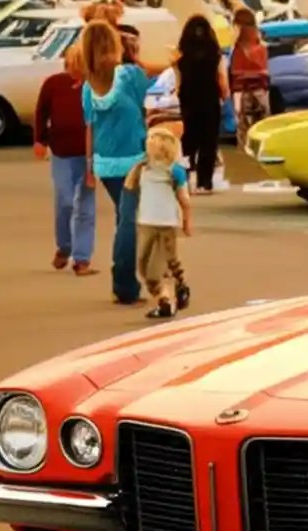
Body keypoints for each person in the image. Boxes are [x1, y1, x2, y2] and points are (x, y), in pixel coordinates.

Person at [81, 19, 155, 304]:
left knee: (124, 216)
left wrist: (89, 167)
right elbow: (150, 92)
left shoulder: (88, 88)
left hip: (105, 164)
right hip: (133, 160)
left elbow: (90, 128)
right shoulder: (130, 76)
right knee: (129, 221)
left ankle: (124, 281)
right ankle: (123, 283)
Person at [35, 44, 98, 276]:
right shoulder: (54, 84)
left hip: (90, 153)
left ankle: (82, 259)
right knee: (65, 201)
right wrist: (39, 140)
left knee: (86, 207)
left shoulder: (95, 85)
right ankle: (64, 246)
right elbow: (41, 112)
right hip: (61, 151)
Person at [125, 127, 193, 319]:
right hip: (146, 222)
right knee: (142, 264)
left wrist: (187, 221)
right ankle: (168, 293)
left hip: (166, 225)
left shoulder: (174, 172)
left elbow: (184, 200)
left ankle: (168, 296)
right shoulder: (142, 168)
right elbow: (130, 186)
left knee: (159, 267)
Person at [174, 15, 229, 194]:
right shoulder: (215, 53)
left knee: (189, 141)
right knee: (209, 142)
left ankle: (186, 180)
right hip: (210, 99)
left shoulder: (181, 55)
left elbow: (178, 82)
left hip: (189, 101)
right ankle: (205, 182)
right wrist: (224, 94)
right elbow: (221, 79)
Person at [230, 7, 269, 149]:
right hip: (260, 92)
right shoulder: (261, 47)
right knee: (261, 128)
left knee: (243, 131)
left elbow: (234, 73)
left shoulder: (238, 49)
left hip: (241, 92)